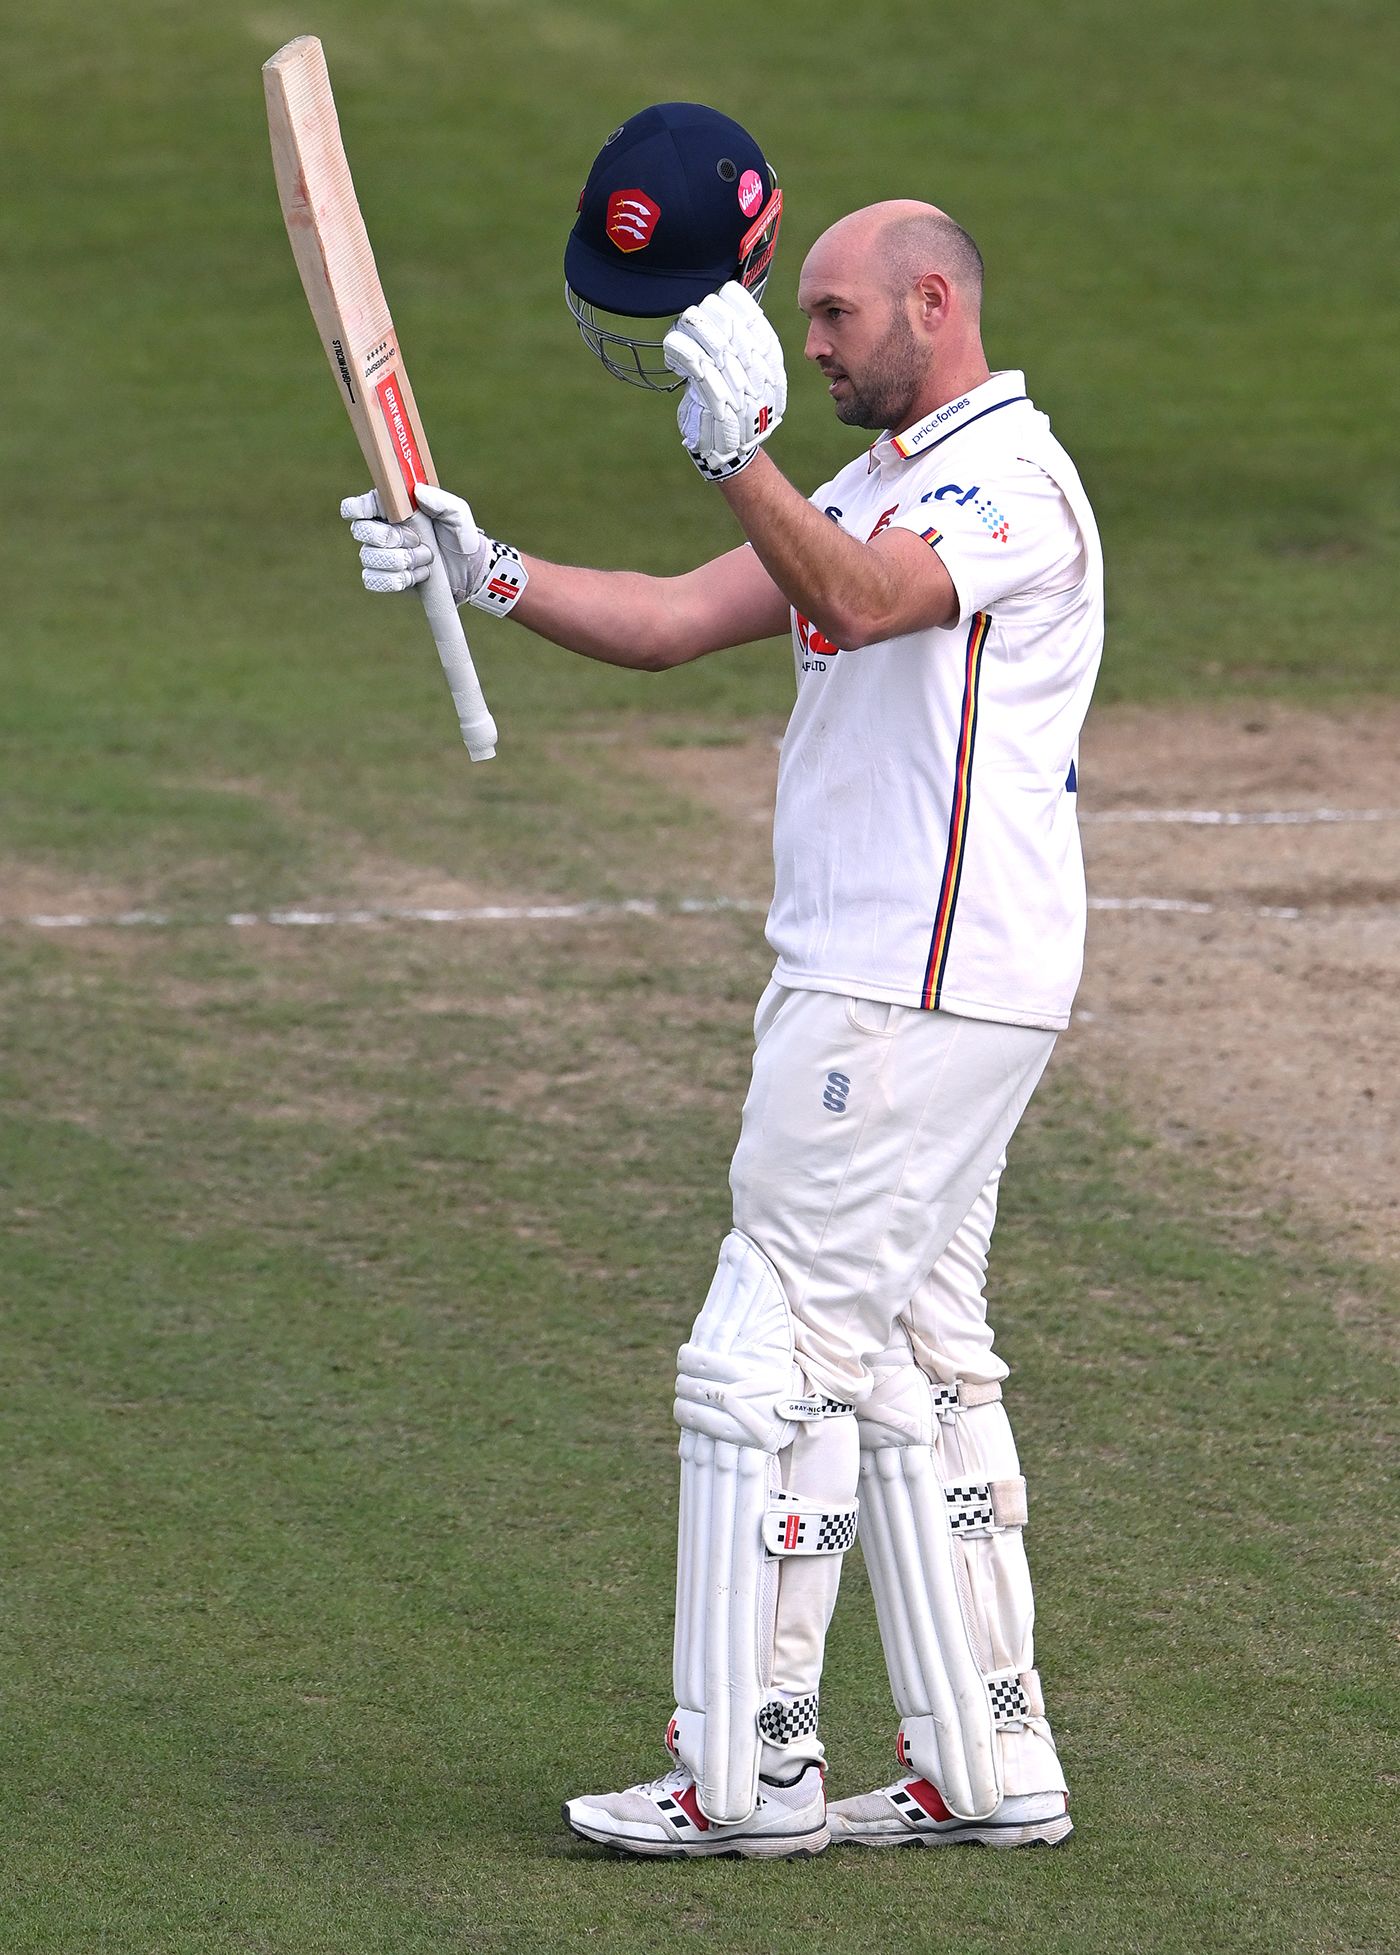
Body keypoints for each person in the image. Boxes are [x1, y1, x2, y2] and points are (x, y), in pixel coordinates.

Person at [340, 117, 1103, 1859]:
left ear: (932, 302)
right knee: (919, 1360)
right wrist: (487, 567)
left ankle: (736, 1782)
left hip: (903, 992)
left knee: (762, 1365)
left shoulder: (1001, 483)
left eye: (832, 316)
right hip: (925, 986)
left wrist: (734, 452)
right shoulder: (887, 474)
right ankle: (991, 1765)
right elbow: (692, 616)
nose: (808, 339)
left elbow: (861, 597)